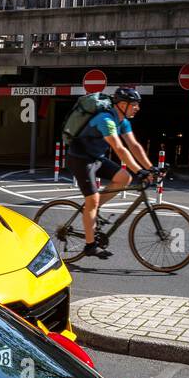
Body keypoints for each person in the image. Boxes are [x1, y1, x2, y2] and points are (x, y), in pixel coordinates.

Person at [66, 86, 153, 260]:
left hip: (96, 157)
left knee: (124, 178)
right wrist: (139, 171)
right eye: (134, 104)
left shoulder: (123, 121)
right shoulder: (105, 119)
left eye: (137, 104)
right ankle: (90, 246)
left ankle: (93, 209)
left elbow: (134, 146)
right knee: (92, 199)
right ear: (122, 104)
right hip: (80, 159)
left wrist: (150, 168)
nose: (137, 108)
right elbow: (119, 149)